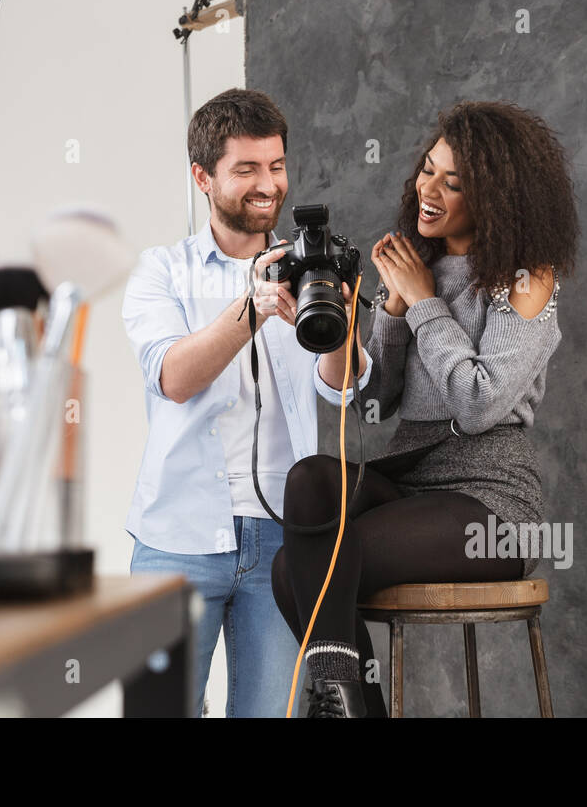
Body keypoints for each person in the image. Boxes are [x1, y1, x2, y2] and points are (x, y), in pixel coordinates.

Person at [270, 100, 581, 717]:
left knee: (305, 567)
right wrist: (380, 313)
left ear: (495, 196)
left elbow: (477, 404)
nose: (428, 190)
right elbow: (375, 401)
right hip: (411, 481)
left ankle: (341, 705)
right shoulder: (421, 265)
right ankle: (350, 701)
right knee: (308, 484)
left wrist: (422, 303)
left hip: (490, 507)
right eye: (428, 170)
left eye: (454, 182)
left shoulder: (527, 278)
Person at [122, 88, 372, 717]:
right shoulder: (162, 271)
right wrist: (250, 310)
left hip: (284, 541)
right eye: (247, 169)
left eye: (277, 165)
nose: (268, 185)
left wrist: (339, 320)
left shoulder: (309, 270)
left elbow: (341, 387)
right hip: (177, 537)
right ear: (202, 177)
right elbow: (173, 377)